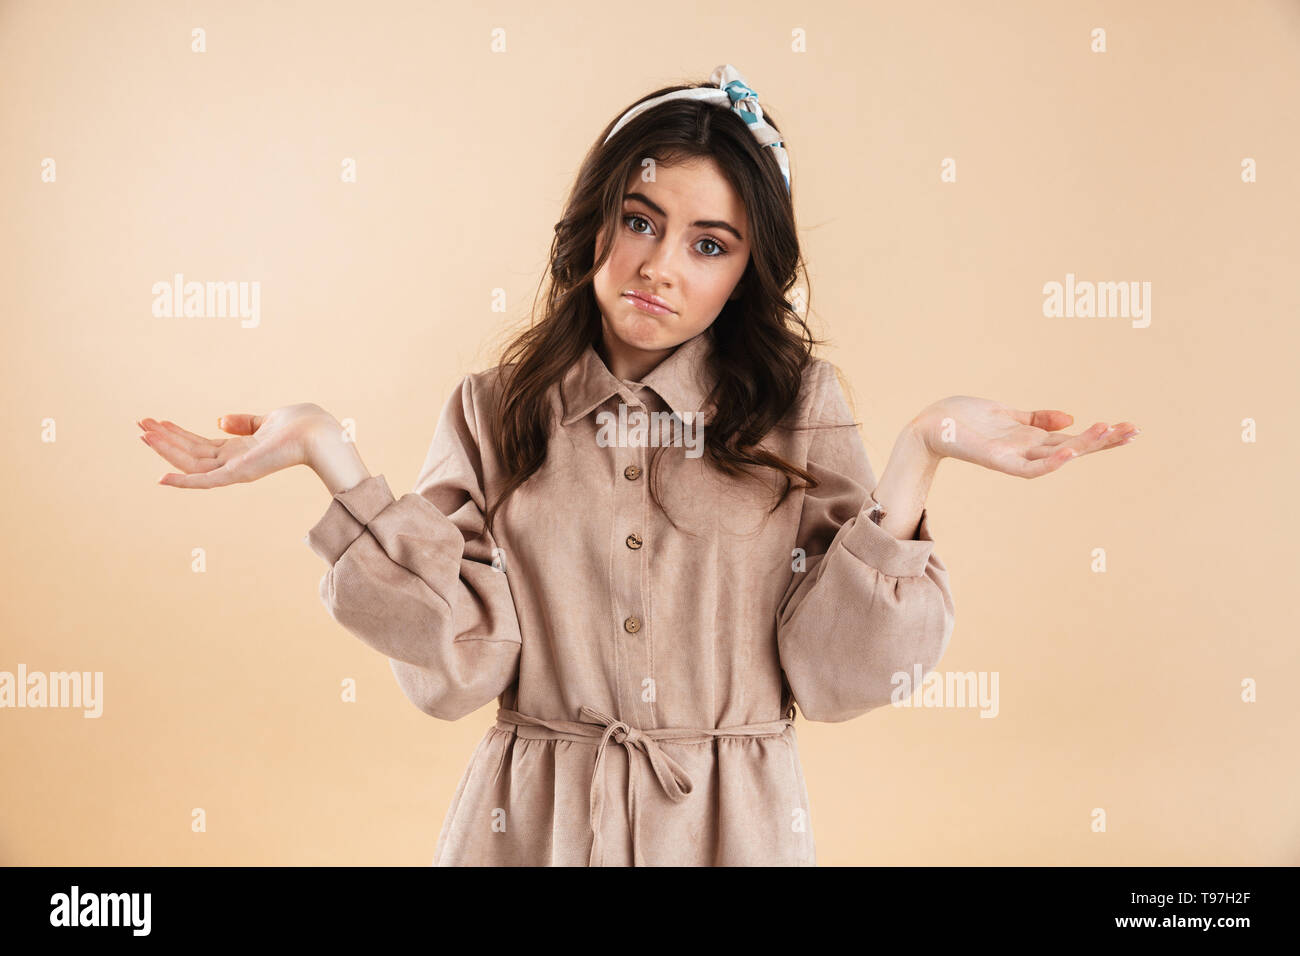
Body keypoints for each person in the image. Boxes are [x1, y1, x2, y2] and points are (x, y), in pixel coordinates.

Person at [137, 65, 1140, 866]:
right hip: (525, 827)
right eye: (640, 220)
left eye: (709, 244)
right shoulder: (493, 410)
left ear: (747, 270)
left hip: (734, 829)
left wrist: (921, 452)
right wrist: (331, 455)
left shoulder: (797, 410)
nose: (661, 264)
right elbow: (455, 669)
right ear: (596, 221)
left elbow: (838, 677)